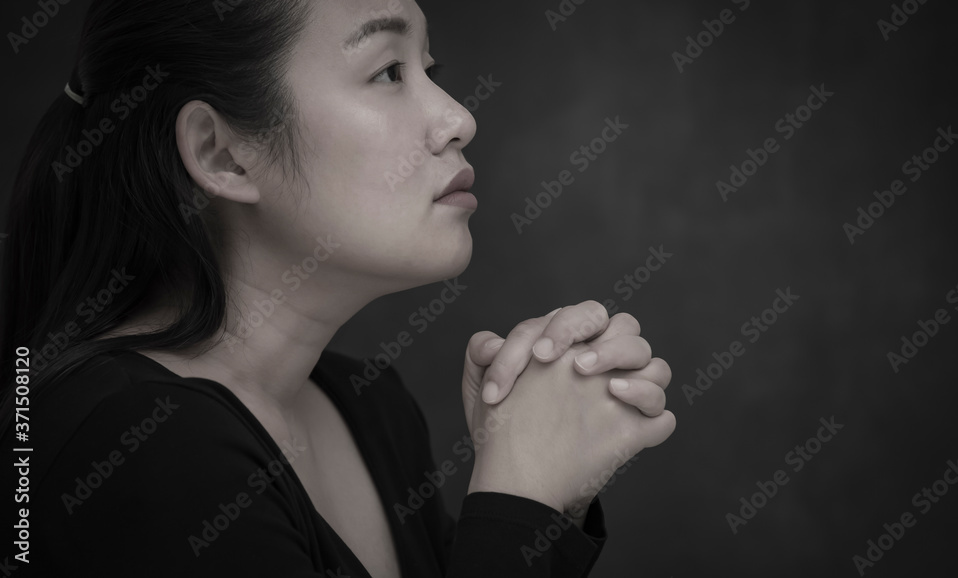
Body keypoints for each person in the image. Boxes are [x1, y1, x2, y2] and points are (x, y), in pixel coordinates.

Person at [0, 0, 676, 575]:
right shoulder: (132, 444)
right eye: (387, 72)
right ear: (222, 153)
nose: (458, 118)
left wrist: (552, 490)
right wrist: (519, 499)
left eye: (430, 70)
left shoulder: (369, 405)